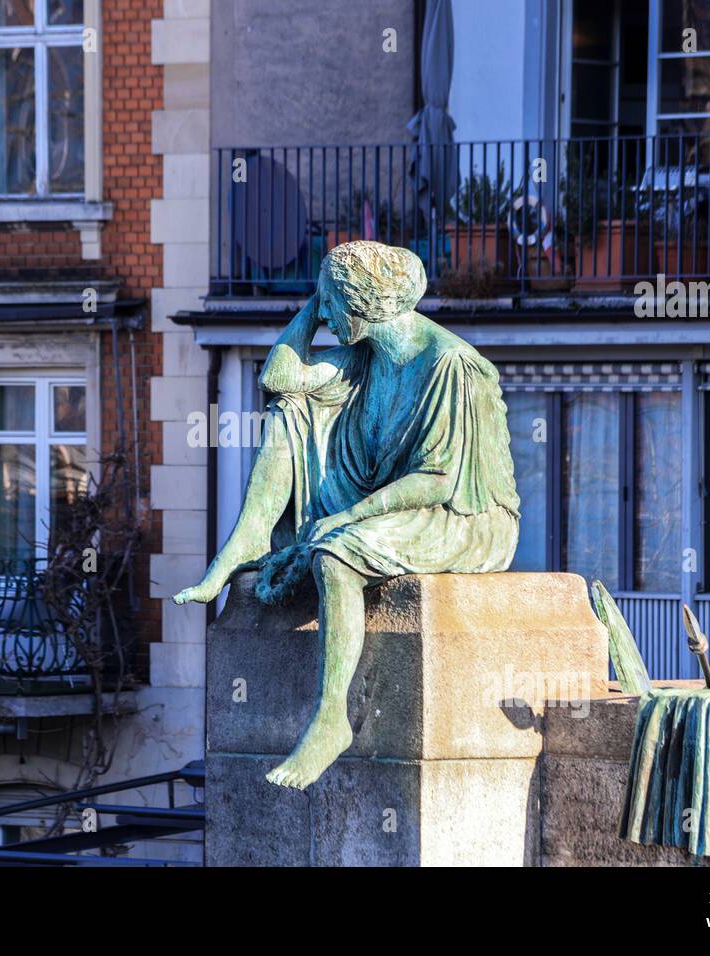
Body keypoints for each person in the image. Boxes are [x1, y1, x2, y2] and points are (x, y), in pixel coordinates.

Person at [175, 241, 521, 789]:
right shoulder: (364, 356)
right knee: (289, 410)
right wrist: (313, 305)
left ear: (362, 303)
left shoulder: (449, 364)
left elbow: (438, 480)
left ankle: (331, 716)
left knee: (336, 555)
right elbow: (279, 379)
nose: (326, 316)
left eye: (331, 303)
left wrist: (349, 517)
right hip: (385, 498)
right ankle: (246, 540)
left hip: (461, 516)